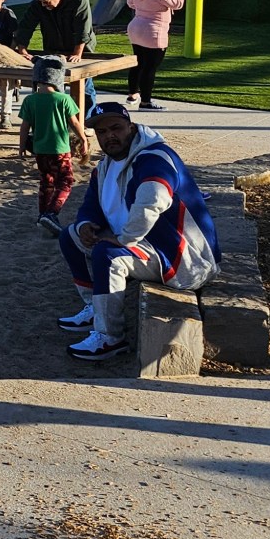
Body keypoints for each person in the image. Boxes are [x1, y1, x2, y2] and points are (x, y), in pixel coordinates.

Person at [56, 102, 218, 361]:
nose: (109, 136)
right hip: (146, 241)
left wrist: (123, 239)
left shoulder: (154, 158)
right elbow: (91, 205)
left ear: (131, 127)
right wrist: (87, 224)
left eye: (116, 128)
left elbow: (153, 200)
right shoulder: (107, 164)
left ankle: (110, 337)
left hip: (180, 253)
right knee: (71, 236)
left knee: (109, 256)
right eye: (102, 132)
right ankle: (94, 308)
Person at [16, 63, 85, 236]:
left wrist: (22, 145)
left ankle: (42, 214)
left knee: (46, 181)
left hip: (40, 149)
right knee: (66, 181)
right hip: (60, 148)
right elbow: (74, 123)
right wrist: (83, 138)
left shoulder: (30, 100)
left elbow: (25, 126)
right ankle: (51, 213)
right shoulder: (63, 99)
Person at [124, 0, 184, 111]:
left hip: (136, 28)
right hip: (154, 31)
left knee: (138, 62)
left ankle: (133, 94)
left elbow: (130, 3)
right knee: (150, 67)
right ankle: (146, 102)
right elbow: (177, 3)